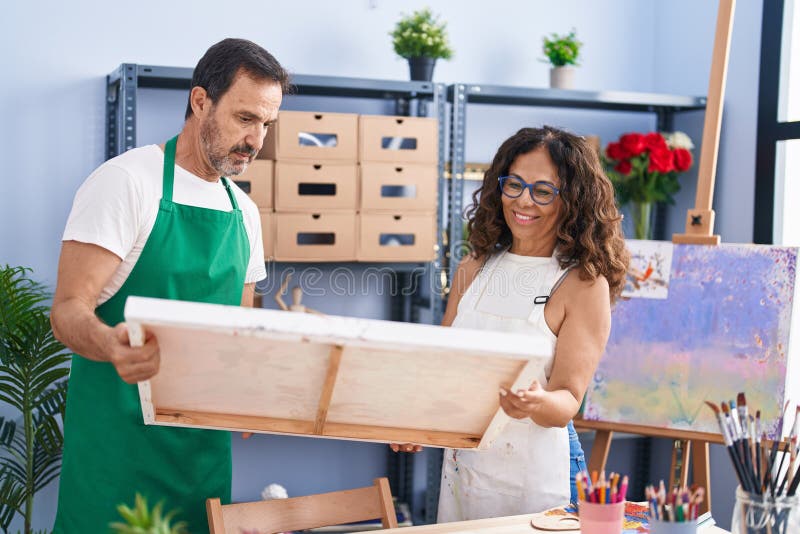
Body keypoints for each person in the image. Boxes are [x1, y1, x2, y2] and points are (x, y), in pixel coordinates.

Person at [50, 38, 290, 533]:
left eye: (266, 124)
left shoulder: (242, 213)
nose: (256, 140)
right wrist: (109, 344)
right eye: (245, 118)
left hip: (200, 462)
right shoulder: (125, 183)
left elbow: (238, 334)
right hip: (117, 458)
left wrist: (252, 388)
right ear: (201, 100)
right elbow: (68, 310)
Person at [435, 126, 629, 521]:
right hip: (465, 464)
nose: (524, 200)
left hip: (539, 473)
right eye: (515, 185)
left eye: (543, 191)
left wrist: (536, 402)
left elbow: (566, 403)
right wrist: (414, 423)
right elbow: (442, 366)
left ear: (573, 202)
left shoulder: (582, 284)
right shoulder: (474, 267)